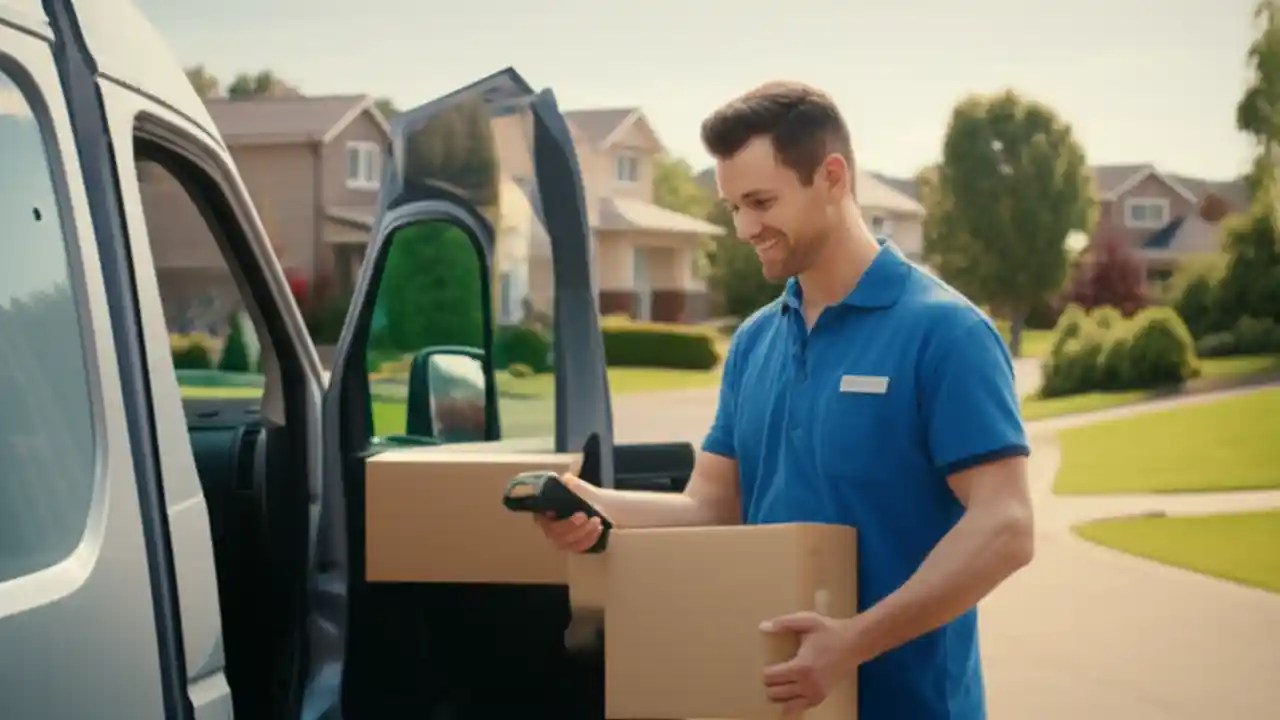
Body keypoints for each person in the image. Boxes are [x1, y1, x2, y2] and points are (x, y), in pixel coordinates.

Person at [535, 81, 1035, 720]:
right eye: (733, 207)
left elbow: (1006, 526)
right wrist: (600, 506)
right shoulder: (755, 341)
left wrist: (853, 642)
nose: (745, 228)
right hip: (776, 701)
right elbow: (714, 505)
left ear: (832, 177)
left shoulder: (946, 333)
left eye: (761, 202)